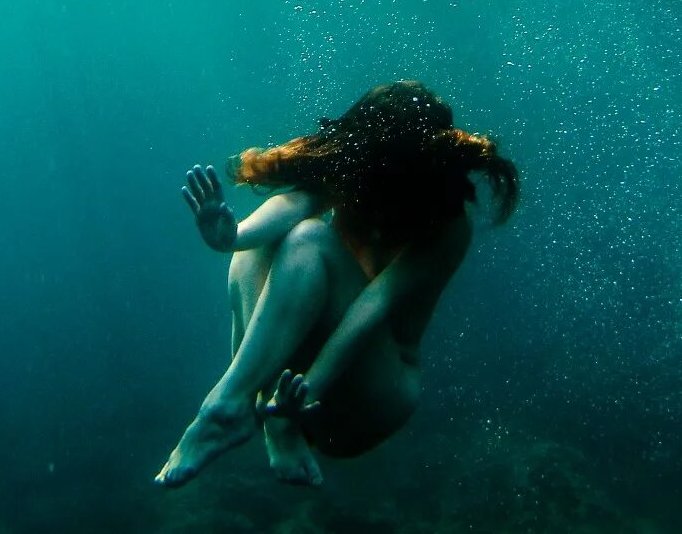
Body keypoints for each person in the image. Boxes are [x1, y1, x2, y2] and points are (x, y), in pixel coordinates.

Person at [155, 80, 519, 487]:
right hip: (294, 397)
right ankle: (248, 402)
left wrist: (304, 396)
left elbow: (371, 308)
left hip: (373, 400)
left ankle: (229, 408)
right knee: (257, 248)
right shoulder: (356, 171)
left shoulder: (448, 226)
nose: (377, 178)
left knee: (308, 240)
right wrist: (232, 238)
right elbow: (291, 206)